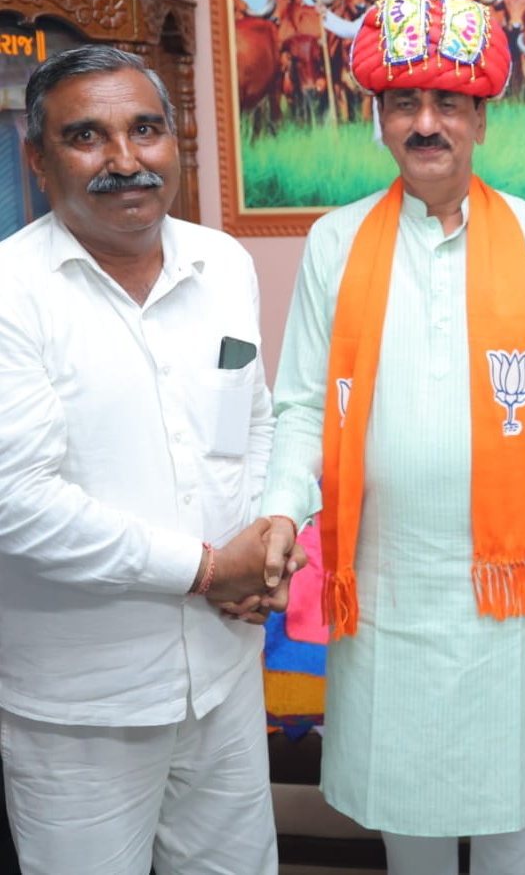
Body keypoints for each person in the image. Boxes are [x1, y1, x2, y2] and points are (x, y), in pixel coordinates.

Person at [258, 0, 525, 875]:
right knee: (405, 829)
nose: (426, 123)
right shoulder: (334, 243)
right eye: (404, 104)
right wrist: (276, 513)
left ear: (480, 119)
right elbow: (299, 405)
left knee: (510, 827)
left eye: (448, 103)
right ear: (378, 119)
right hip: (386, 597)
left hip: (510, 606)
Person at [0, 45, 302, 875]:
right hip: (81, 707)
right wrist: (210, 568)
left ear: (176, 141)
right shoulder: (9, 295)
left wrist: (270, 537)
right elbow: (17, 501)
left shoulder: (224, 264)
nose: (125, 161)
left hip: (224, 677)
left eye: (145, 130)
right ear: (37, 158)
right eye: (87, 136)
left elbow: (255, 424)